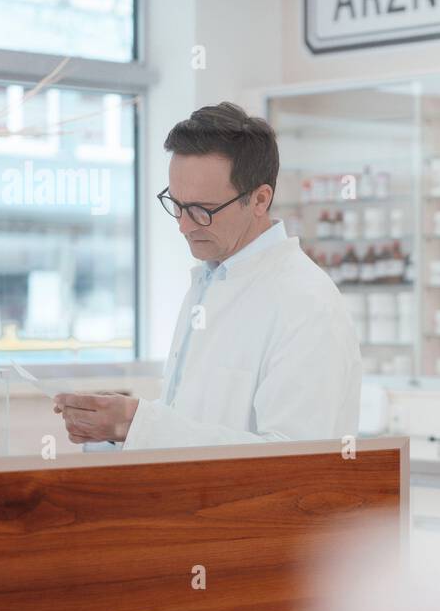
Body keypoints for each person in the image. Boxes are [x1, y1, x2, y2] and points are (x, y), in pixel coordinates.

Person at [53, 102, 361, 448]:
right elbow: (193, 423)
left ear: (260, 200)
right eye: (178, 205)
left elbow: (293, 456)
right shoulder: (209, 281)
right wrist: (117, 428)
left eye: (202, 210)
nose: (184, 225)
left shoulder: (306, 303)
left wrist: (138, 425)